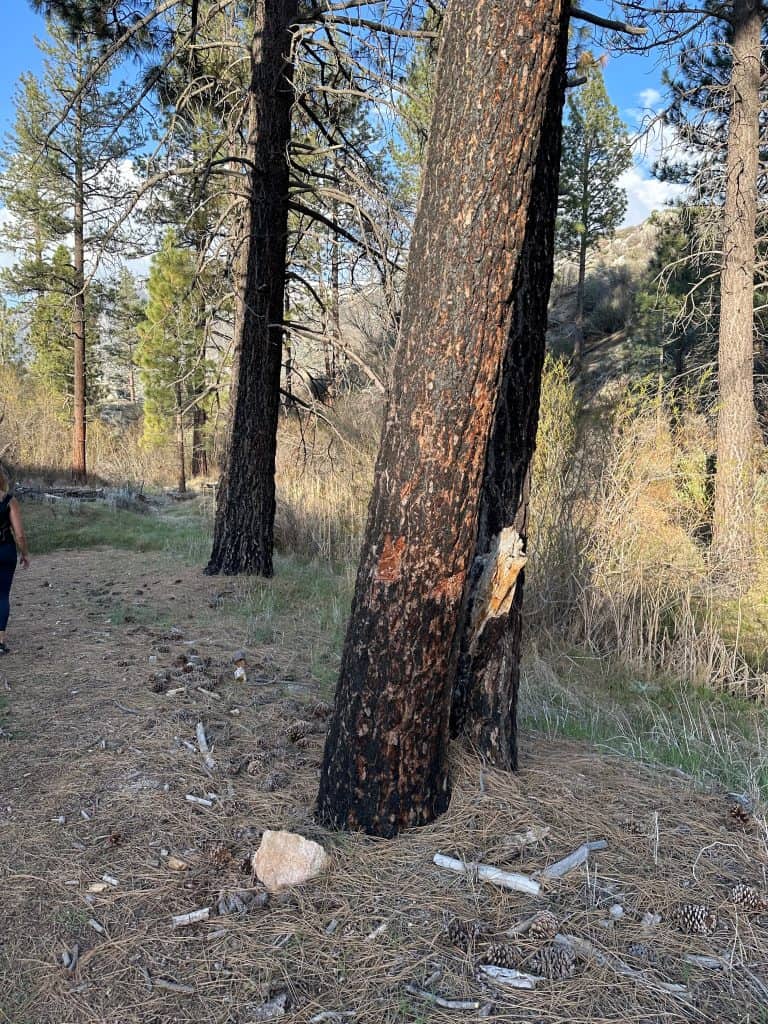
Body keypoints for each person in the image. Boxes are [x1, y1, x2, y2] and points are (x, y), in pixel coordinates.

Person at [0, 466, 30, 655]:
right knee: (2, 595)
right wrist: (24, 553)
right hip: (5, 551)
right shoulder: (9, 501)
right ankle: (0, 640)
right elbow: (19, 535)